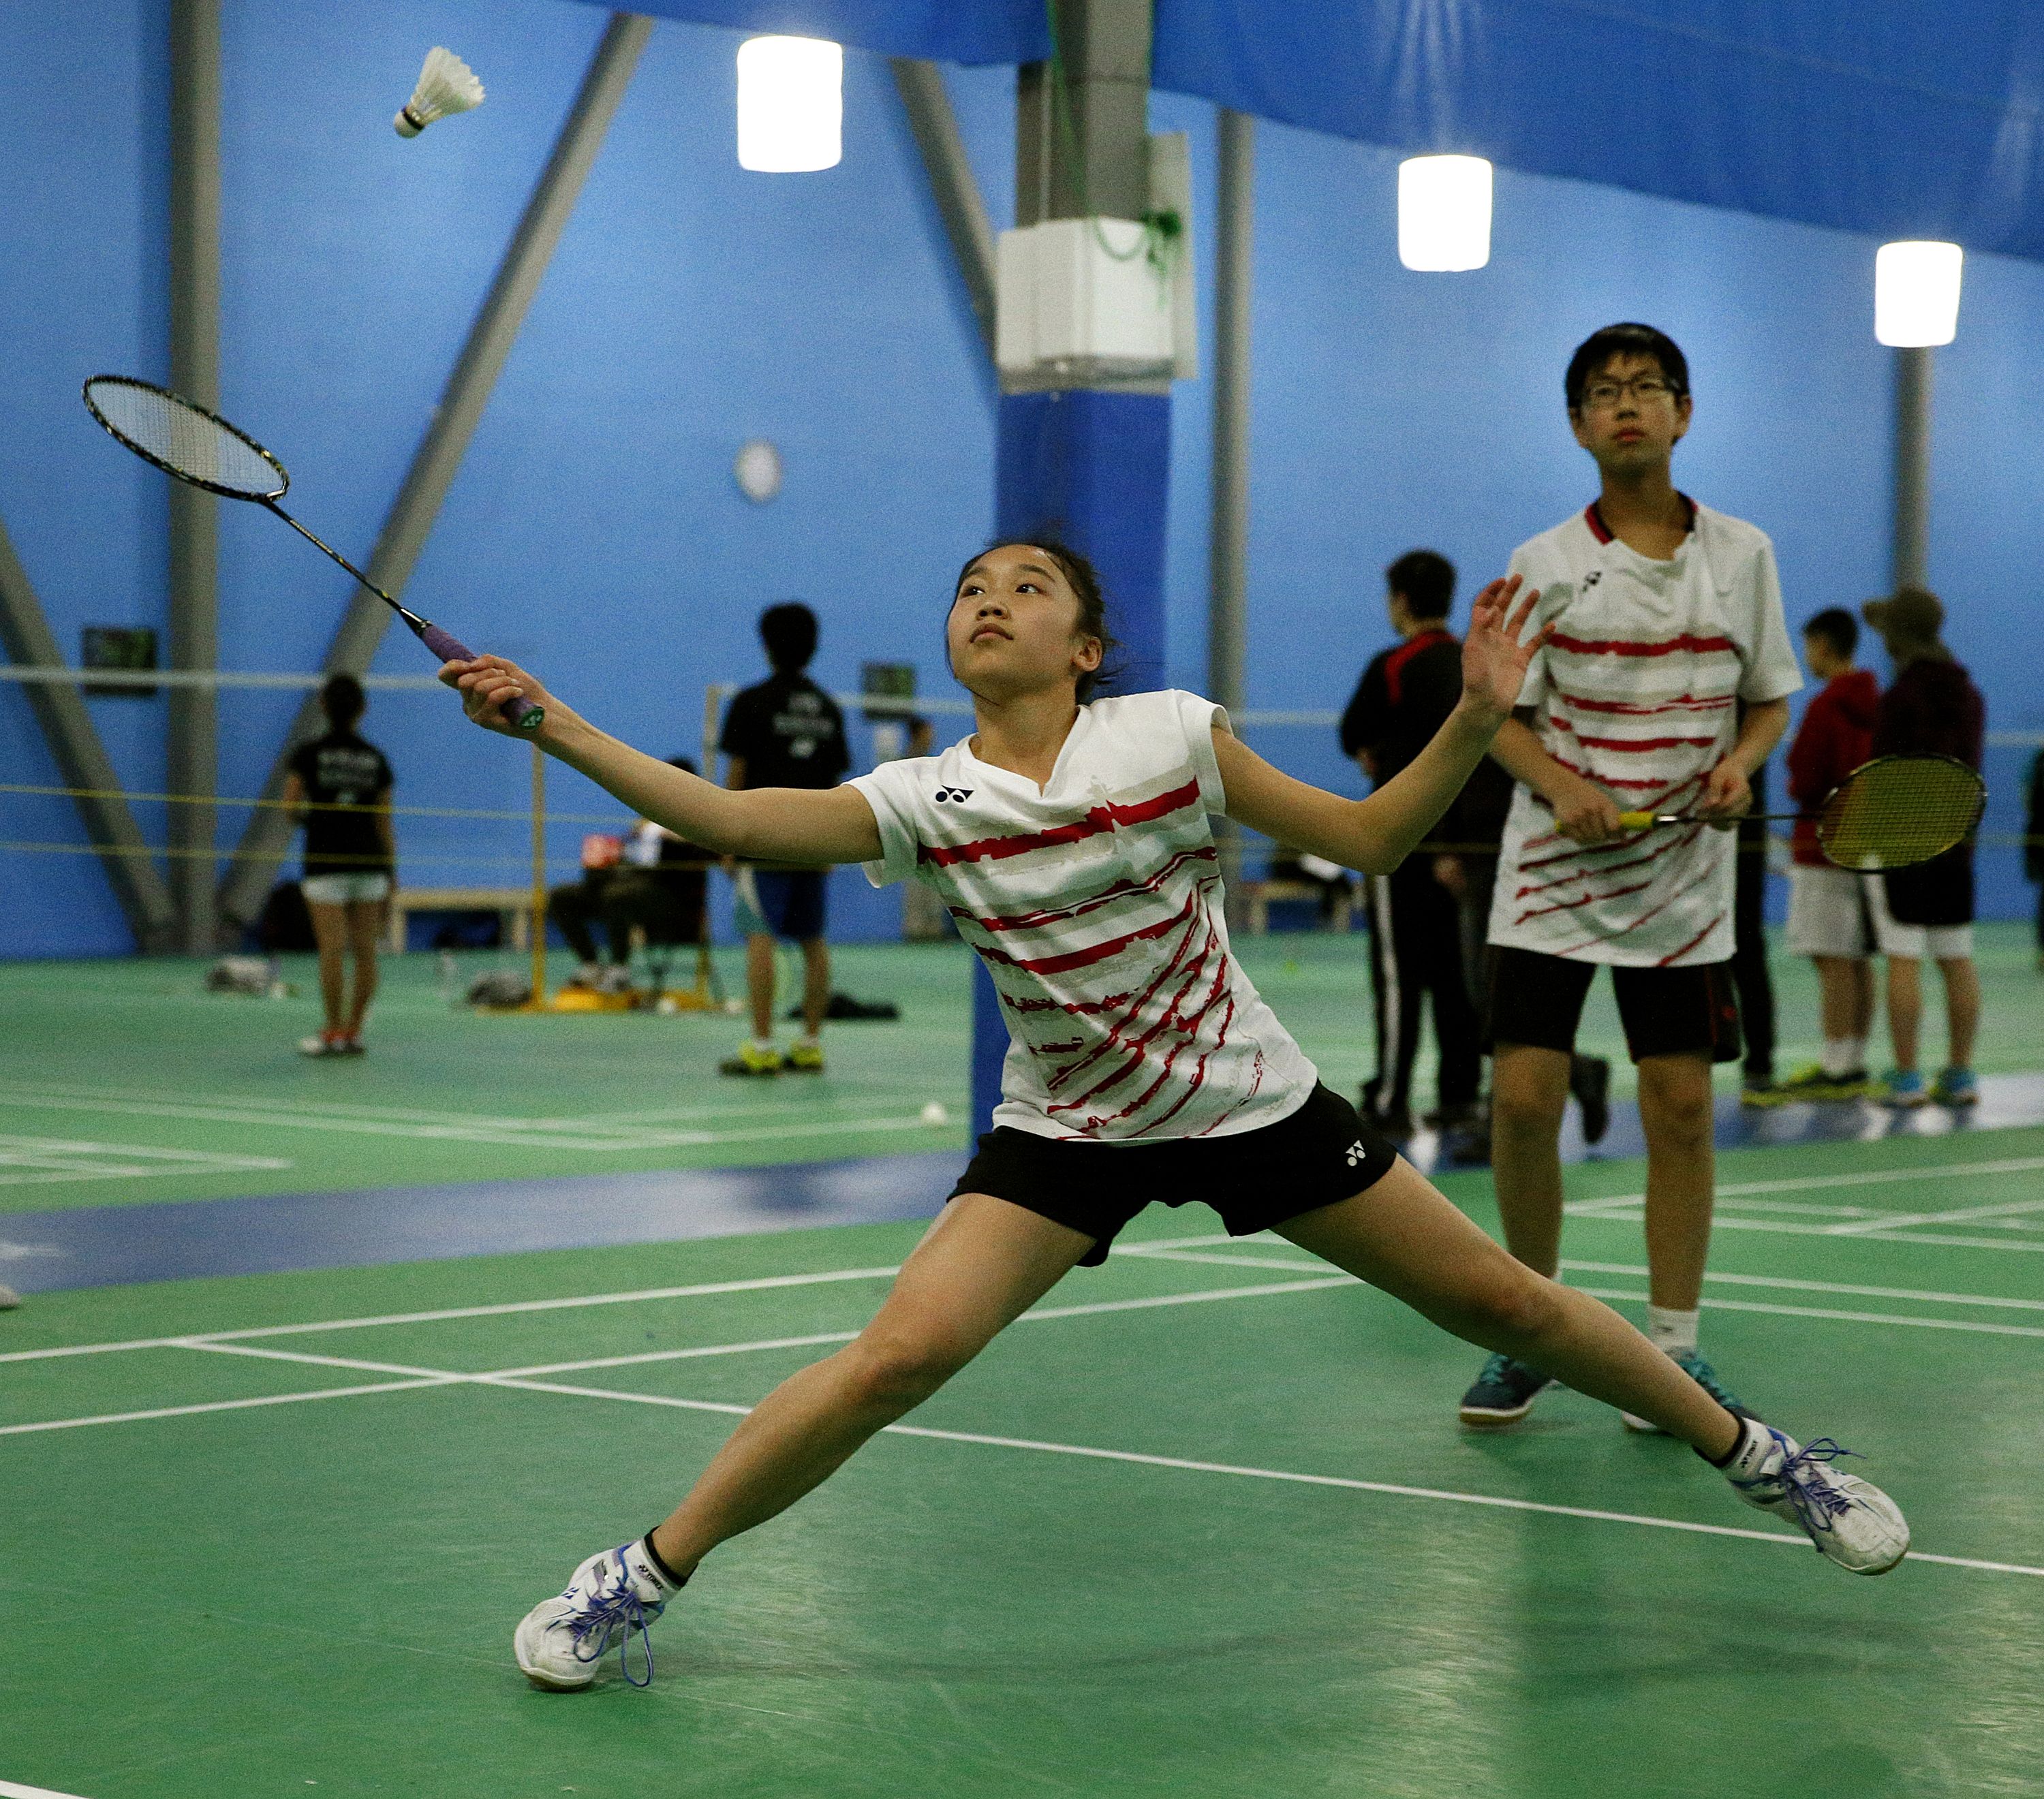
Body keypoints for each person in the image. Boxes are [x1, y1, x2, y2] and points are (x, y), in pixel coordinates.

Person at [444, 537, 1907, 1694]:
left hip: (1246, 1101)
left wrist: (1475, 717)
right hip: (1066, 1130)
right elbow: (734, 821)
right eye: (970, 589)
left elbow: (1372, 837)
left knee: (1507, 1303)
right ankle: (640, 1573)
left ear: (1084, 646)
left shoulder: (1171, 735)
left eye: (1028, 588)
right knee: (898, 1356)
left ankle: (1760, 1456)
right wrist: (552, 723)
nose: (988, 601)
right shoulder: (925, 795)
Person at [1464, 323, 1802, 1433]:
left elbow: (1765, 699)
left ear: (1683, 413)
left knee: (1684, 1109)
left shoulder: (1742, 556)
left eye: (1648, 389)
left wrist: (1744, 767)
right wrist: (1561, 782)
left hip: (1683, 881)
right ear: (1577, 425)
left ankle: (1672, 1349)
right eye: (1605, 393)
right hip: (1554, 875)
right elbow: (1498, 722)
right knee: (1521, 1101)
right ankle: (1529, 1327)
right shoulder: (1543, 562)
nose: (1628, 406)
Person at [1337, 550, 1481, 1141]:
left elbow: (1353, 733)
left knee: (1400, 976)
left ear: (1399, 600)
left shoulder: (1394, 665)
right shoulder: (1472, 665)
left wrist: (1380, 750)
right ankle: (1459, 1097)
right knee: (1455, 972)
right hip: (1466, 846)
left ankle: (1393, 1097)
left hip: (1397, 841)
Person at [1861, 588, 1986, 1108]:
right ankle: (1961, 1074)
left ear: (1898, 637)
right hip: (1956, 846)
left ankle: (1907, 1077)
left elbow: (1883, 776)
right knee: (1957, 956)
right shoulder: (1970, 695)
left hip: (1902, 844)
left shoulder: (1901, 697)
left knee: (1903, 958)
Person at [717, 603, 850, 1076]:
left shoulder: (751, 701)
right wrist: (834, 841)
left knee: (760, 935)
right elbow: (836, 779)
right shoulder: (830, 709)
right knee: (814, 940)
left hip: (762, 837)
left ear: (767, 644)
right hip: (814, 839)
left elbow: (737, 770)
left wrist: (725, 837)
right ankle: (810, 1043)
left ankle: (763, 1045)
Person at [1774, 608, 1880, 1099]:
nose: (1805, 655)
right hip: (1864, 842)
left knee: (1831, 957)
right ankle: (1854, 1057)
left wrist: (1798, 781)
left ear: (1823, 643)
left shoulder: (1825, 707)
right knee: (1856, 956)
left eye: (1808, 645)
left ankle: (1837, 1065)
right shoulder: (1875, 702)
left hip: (1822, 845)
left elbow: (1807, 776)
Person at [283, 674, 393, 1057]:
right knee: (365, 952)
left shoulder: (307, 754)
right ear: (362, 709)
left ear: (324, 706)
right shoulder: (376, 759)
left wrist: (315, 821)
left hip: (325, 862)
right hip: (370, 864)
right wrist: (391, 872)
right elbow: (384, 822)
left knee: (332, 951)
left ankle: (331, 1031)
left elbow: (289, 809)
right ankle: (354, 1031)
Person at [549, 757, 709, 990]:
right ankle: (591, 965)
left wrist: (674, 836)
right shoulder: (647, 816)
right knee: (563, 897)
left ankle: (619, 969)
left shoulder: (697, 819)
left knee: (617, 896)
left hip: (668, 896)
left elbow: (709, 849)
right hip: (628, 883)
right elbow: (629, 854)